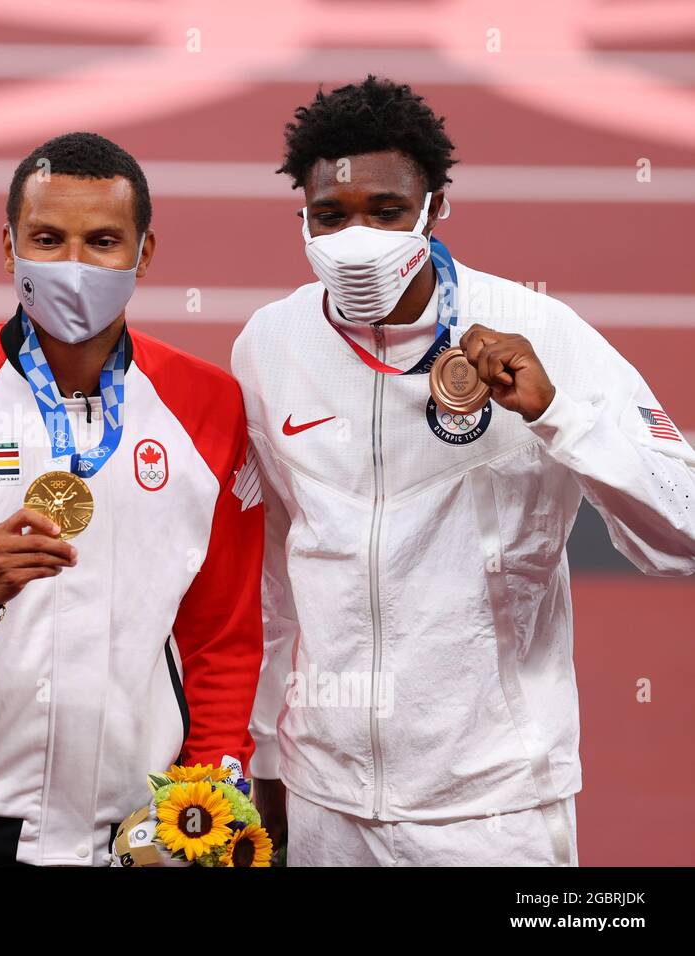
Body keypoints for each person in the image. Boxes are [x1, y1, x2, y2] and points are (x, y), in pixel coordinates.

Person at [234, 76, 695, 866]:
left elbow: (683, 531)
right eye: (330, 215)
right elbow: (275, 571)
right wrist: (268, 761)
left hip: (492, 808)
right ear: (301, 217)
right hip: (323, 800)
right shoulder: (269, 345)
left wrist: (558, 418)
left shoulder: (542, 329)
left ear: (435, 206)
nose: (356, 237)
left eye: (385, 211)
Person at [0, 132, 265, 866]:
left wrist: (210, 794)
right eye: (47, 239)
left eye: (103, 241)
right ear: (9, 249)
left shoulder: (209, 408)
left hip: (147, 834)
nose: (74, 266)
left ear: (144, 253)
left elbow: (221, 638)